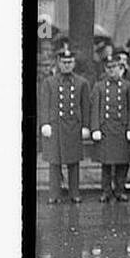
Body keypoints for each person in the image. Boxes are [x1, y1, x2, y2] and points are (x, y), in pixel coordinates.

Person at [39, 43, 91, 204]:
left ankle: (74, 193)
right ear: (58, 63)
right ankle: (54, 194)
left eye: (69, 62)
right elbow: (44, 104)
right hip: (55, 127)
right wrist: (45, 123)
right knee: (54, 162)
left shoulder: (82, 83)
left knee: (73, 161)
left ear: (74, 63)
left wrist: (85, 126)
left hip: (73, 127)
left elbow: (85, 106)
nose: (66, 65)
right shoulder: (49, 82)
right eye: (63, 62)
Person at [90, 52, 130, 202]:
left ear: (121, 68)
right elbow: (95, 109)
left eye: (114, 67)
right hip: (106, 130)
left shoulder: (128, 86)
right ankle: (106, 191)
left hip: (121, 130)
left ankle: (120, 190)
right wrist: (95, 128)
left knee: (122, 162)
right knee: (106, 163)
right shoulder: (99, 86)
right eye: (108, 67)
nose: (111, 70)